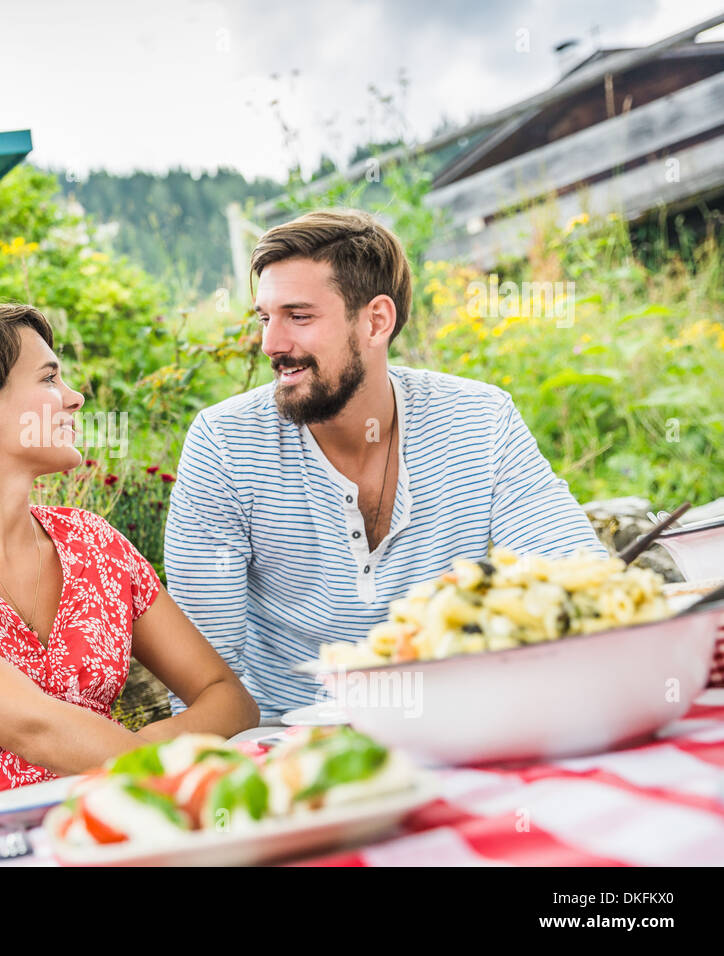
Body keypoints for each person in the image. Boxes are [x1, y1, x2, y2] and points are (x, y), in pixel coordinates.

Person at [0, 304, 260, 837]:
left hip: (113, 830)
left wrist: (135, 761)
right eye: (49, 377)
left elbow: (228, 697)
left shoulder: (95, 543)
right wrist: (166, 779)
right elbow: (35, 729)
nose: (75, 397)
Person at [163, 208, 602, 721]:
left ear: (376, 321)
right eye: (265, 318)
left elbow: (575, 575)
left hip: (457, 730)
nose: (271, 344)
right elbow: (203, 678)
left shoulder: (479, 420)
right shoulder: (224, 444)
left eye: (298, 317)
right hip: (291, 753)